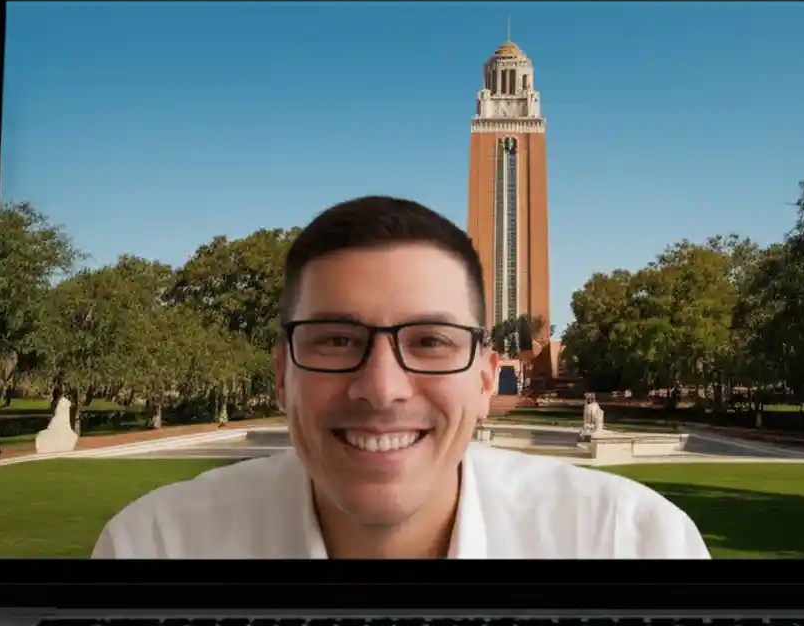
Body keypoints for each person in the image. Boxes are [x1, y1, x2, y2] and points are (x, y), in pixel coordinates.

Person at [92, 195, 709, 559]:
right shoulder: (156, 549)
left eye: (431, 341)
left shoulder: (629, 544)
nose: (382, 388)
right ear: (281, 374)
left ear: (486, 379)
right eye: (337, 340)